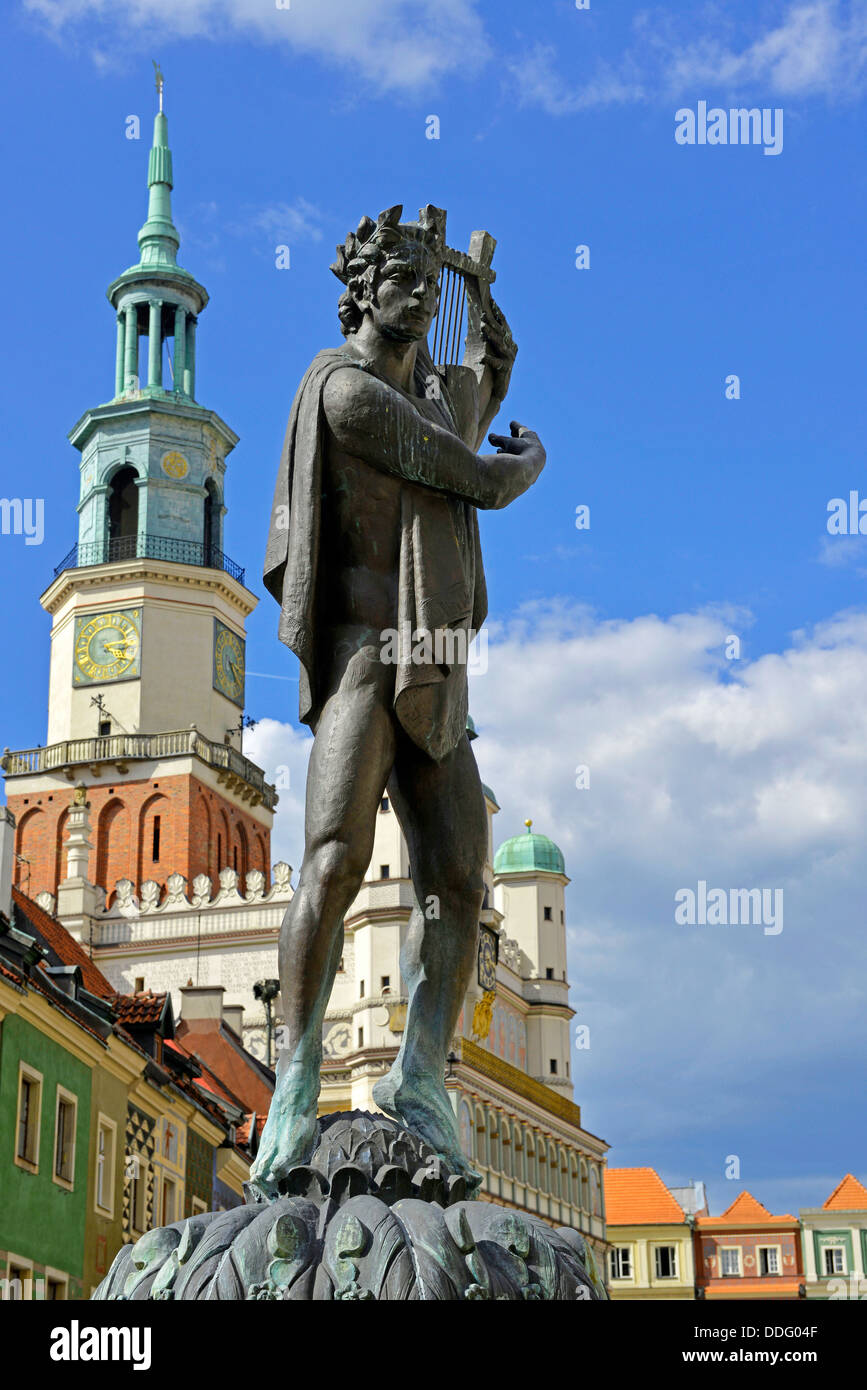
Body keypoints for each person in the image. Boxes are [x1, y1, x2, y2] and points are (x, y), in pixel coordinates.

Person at [249, 205, 545, 1199]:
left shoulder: (418, 393)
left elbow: (452, 425)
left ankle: (418, 1073)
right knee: (331, 857)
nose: (422, 298)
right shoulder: (344, 393)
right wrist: (526, 459)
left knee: (460, 875)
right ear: (365, 289)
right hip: (366, 659)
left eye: (433, 284)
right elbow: (469, 472)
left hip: (434, 668)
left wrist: (492, 371)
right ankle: (293, 1081)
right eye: (406, 283)